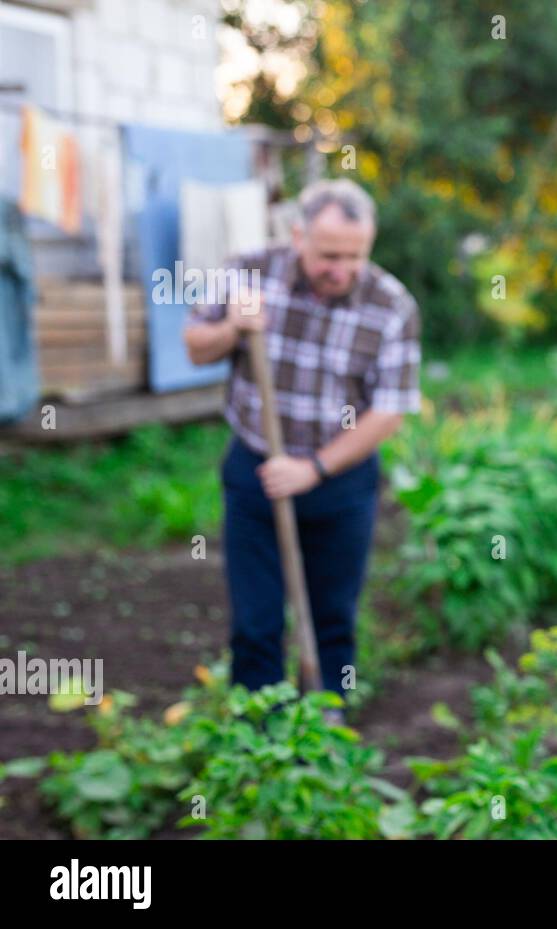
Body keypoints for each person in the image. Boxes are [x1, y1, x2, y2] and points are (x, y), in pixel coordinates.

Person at [184, 179, 422, 720]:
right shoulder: (249, 272)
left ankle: (325, 719)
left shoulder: (391, 305)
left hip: (340, 478)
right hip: (255, 468)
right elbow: (195, 346)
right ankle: (258, 727)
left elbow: (389, 410)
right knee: (256, 618)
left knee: (333, 611)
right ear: (298, 235)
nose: (341, 268)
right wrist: (233, 327)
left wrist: (312, 468)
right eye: (328, 255)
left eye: (354, 256)